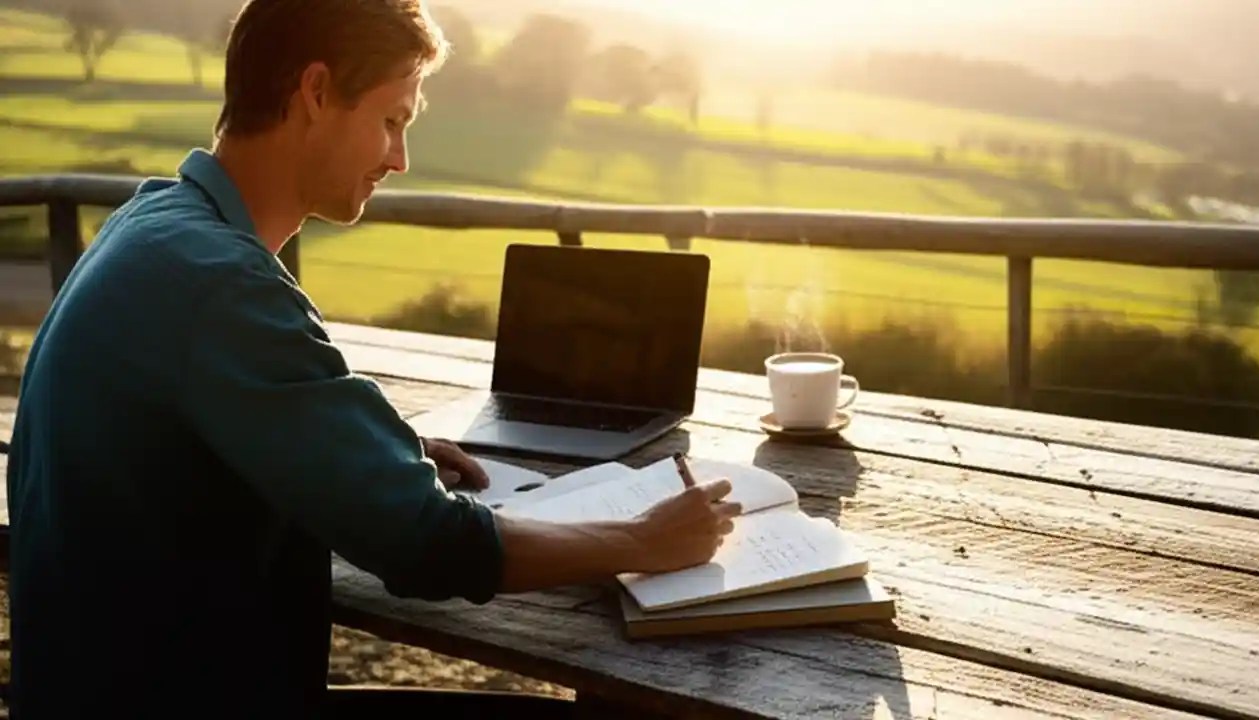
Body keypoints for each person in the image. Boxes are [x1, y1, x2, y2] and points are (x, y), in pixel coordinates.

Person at [4, 0, 742, 717]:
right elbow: (428, 545)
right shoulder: (219, 284)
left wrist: (374, 452)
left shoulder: (156, 221)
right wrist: (644, 539)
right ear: (317, 92)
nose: (399, 157)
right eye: (392, 120)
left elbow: (200, 435)